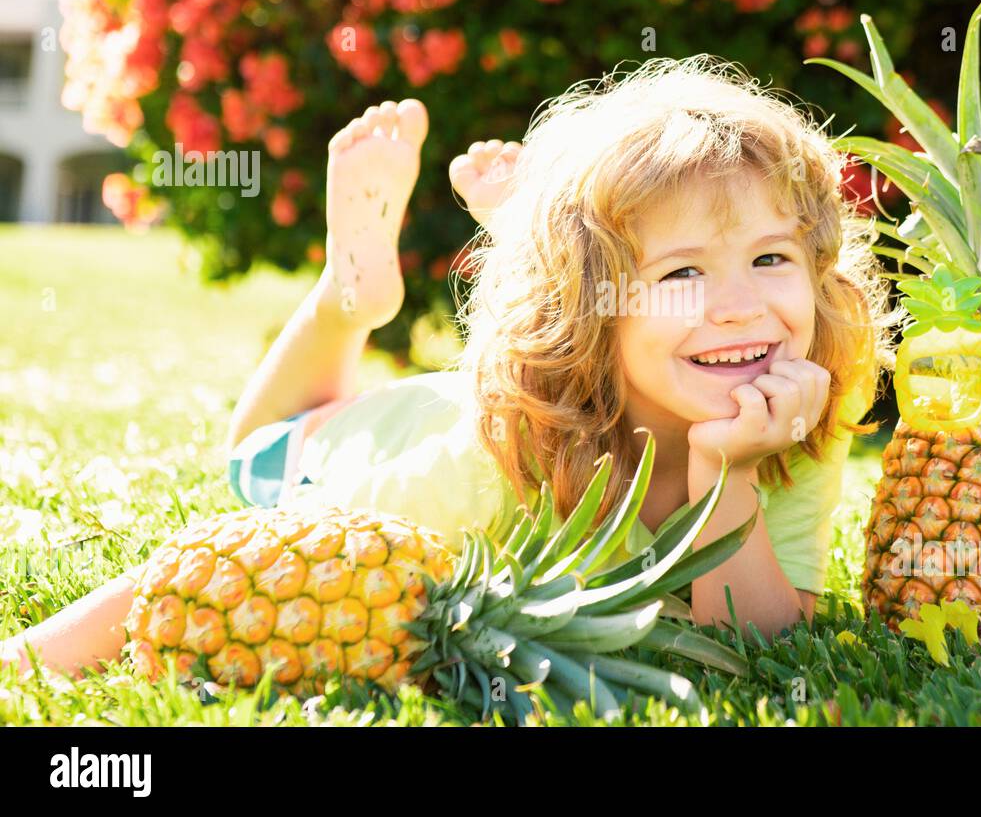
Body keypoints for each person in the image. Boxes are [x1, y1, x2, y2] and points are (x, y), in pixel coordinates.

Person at [0, 54, 895, 680]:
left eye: (772, 259)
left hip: (563, 364)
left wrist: (724, 469)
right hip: (362, 444)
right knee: (251, 451)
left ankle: (533, 240)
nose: (743, 304)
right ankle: (350, 300)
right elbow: (228, 560)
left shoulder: (805, 394)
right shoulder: (473, 475)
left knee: (568, 332)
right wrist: (30, 660)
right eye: (685, 270)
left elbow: (774, 639)